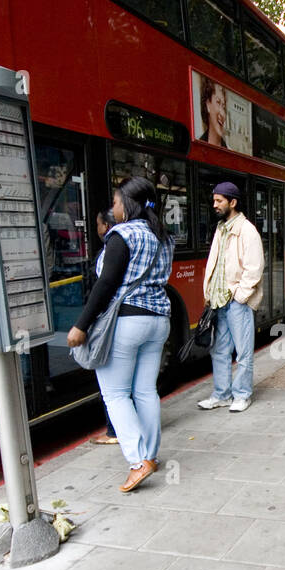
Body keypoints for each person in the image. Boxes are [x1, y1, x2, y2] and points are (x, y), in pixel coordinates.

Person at [68, 177, 175, 492]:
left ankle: (138, 461)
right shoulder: (163, 237)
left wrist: (81, 325)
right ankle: (150, 455)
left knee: (115, 394)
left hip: (127, 321)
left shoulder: (122, 235)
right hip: (159, 321)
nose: (113, 208)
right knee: (145, 391)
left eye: (115, 202)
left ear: (129, 204)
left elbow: (106, 284)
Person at [197, 180, 264, 412]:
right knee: (219, 349)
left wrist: (241, 296)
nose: (214, 204)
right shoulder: (221, 228)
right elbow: (214, 264)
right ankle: (222, 394)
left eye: (219, 201)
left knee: (243, 351)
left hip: (237, 301)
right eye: (214, 200)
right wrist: (209, 293)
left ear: (232, 202)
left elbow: (254, 268)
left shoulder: (247, 231)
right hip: (218, 301)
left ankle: (242, 395)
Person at [89, 210, 121, 446]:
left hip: (113, 319)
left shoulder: (113, 246)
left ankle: (114, 431)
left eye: (98, 224)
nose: (97, 229)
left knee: (111, 382)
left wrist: (82, 324)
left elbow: (105, 285)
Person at [199, 76, 228, 148]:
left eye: (223, 107)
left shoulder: (229, 151)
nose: (222, 114)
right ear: (208, 105)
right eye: (218, 102)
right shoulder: (199, 145)